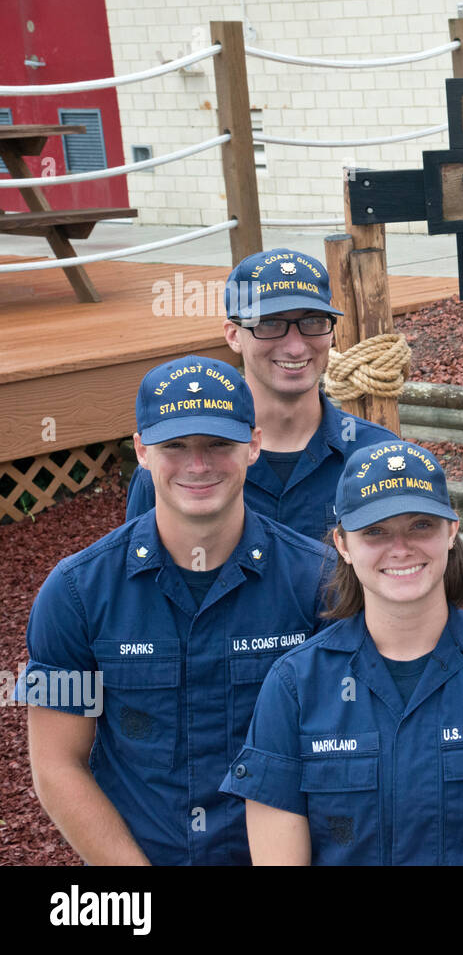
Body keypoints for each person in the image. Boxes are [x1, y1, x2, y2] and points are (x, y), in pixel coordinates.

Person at [19, 356, 336, 864]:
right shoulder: (74, 592)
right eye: (174, 446)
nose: (197, 465)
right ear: (142, 450)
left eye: (218, 444)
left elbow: (347, 750)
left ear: (253, 445)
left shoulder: (320, 582)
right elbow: (57, 764)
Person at [221, 440, 463, 865]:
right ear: (342, 543)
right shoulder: (294, 686)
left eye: (421, 526)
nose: (400, 548)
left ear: (452, 531)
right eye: (375, 531)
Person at [126, 248, 396, 542]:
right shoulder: (173, 469)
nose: (295, 347)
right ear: (233, 335)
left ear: (332, 332)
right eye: (269, 324)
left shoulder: (375, 452)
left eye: (313, 322)